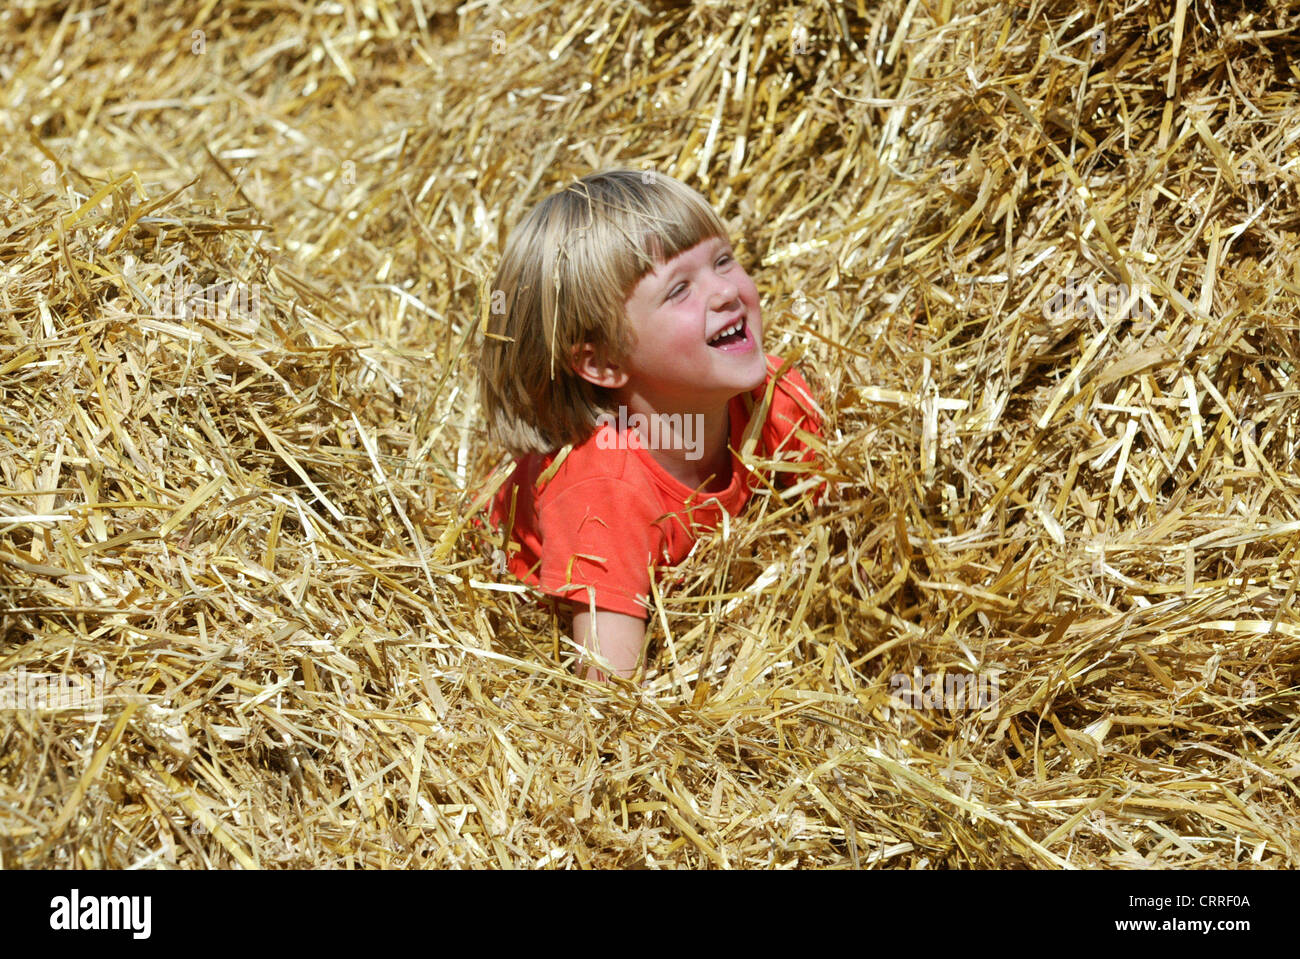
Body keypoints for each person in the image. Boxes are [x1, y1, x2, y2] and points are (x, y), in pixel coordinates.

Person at [478, 169, 823, 682]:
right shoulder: (604, 491)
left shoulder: (775, 395)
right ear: (601, 363)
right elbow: (611, 698)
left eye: (723, 260)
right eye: (679, 289)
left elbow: (848, 537)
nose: (726, 292)